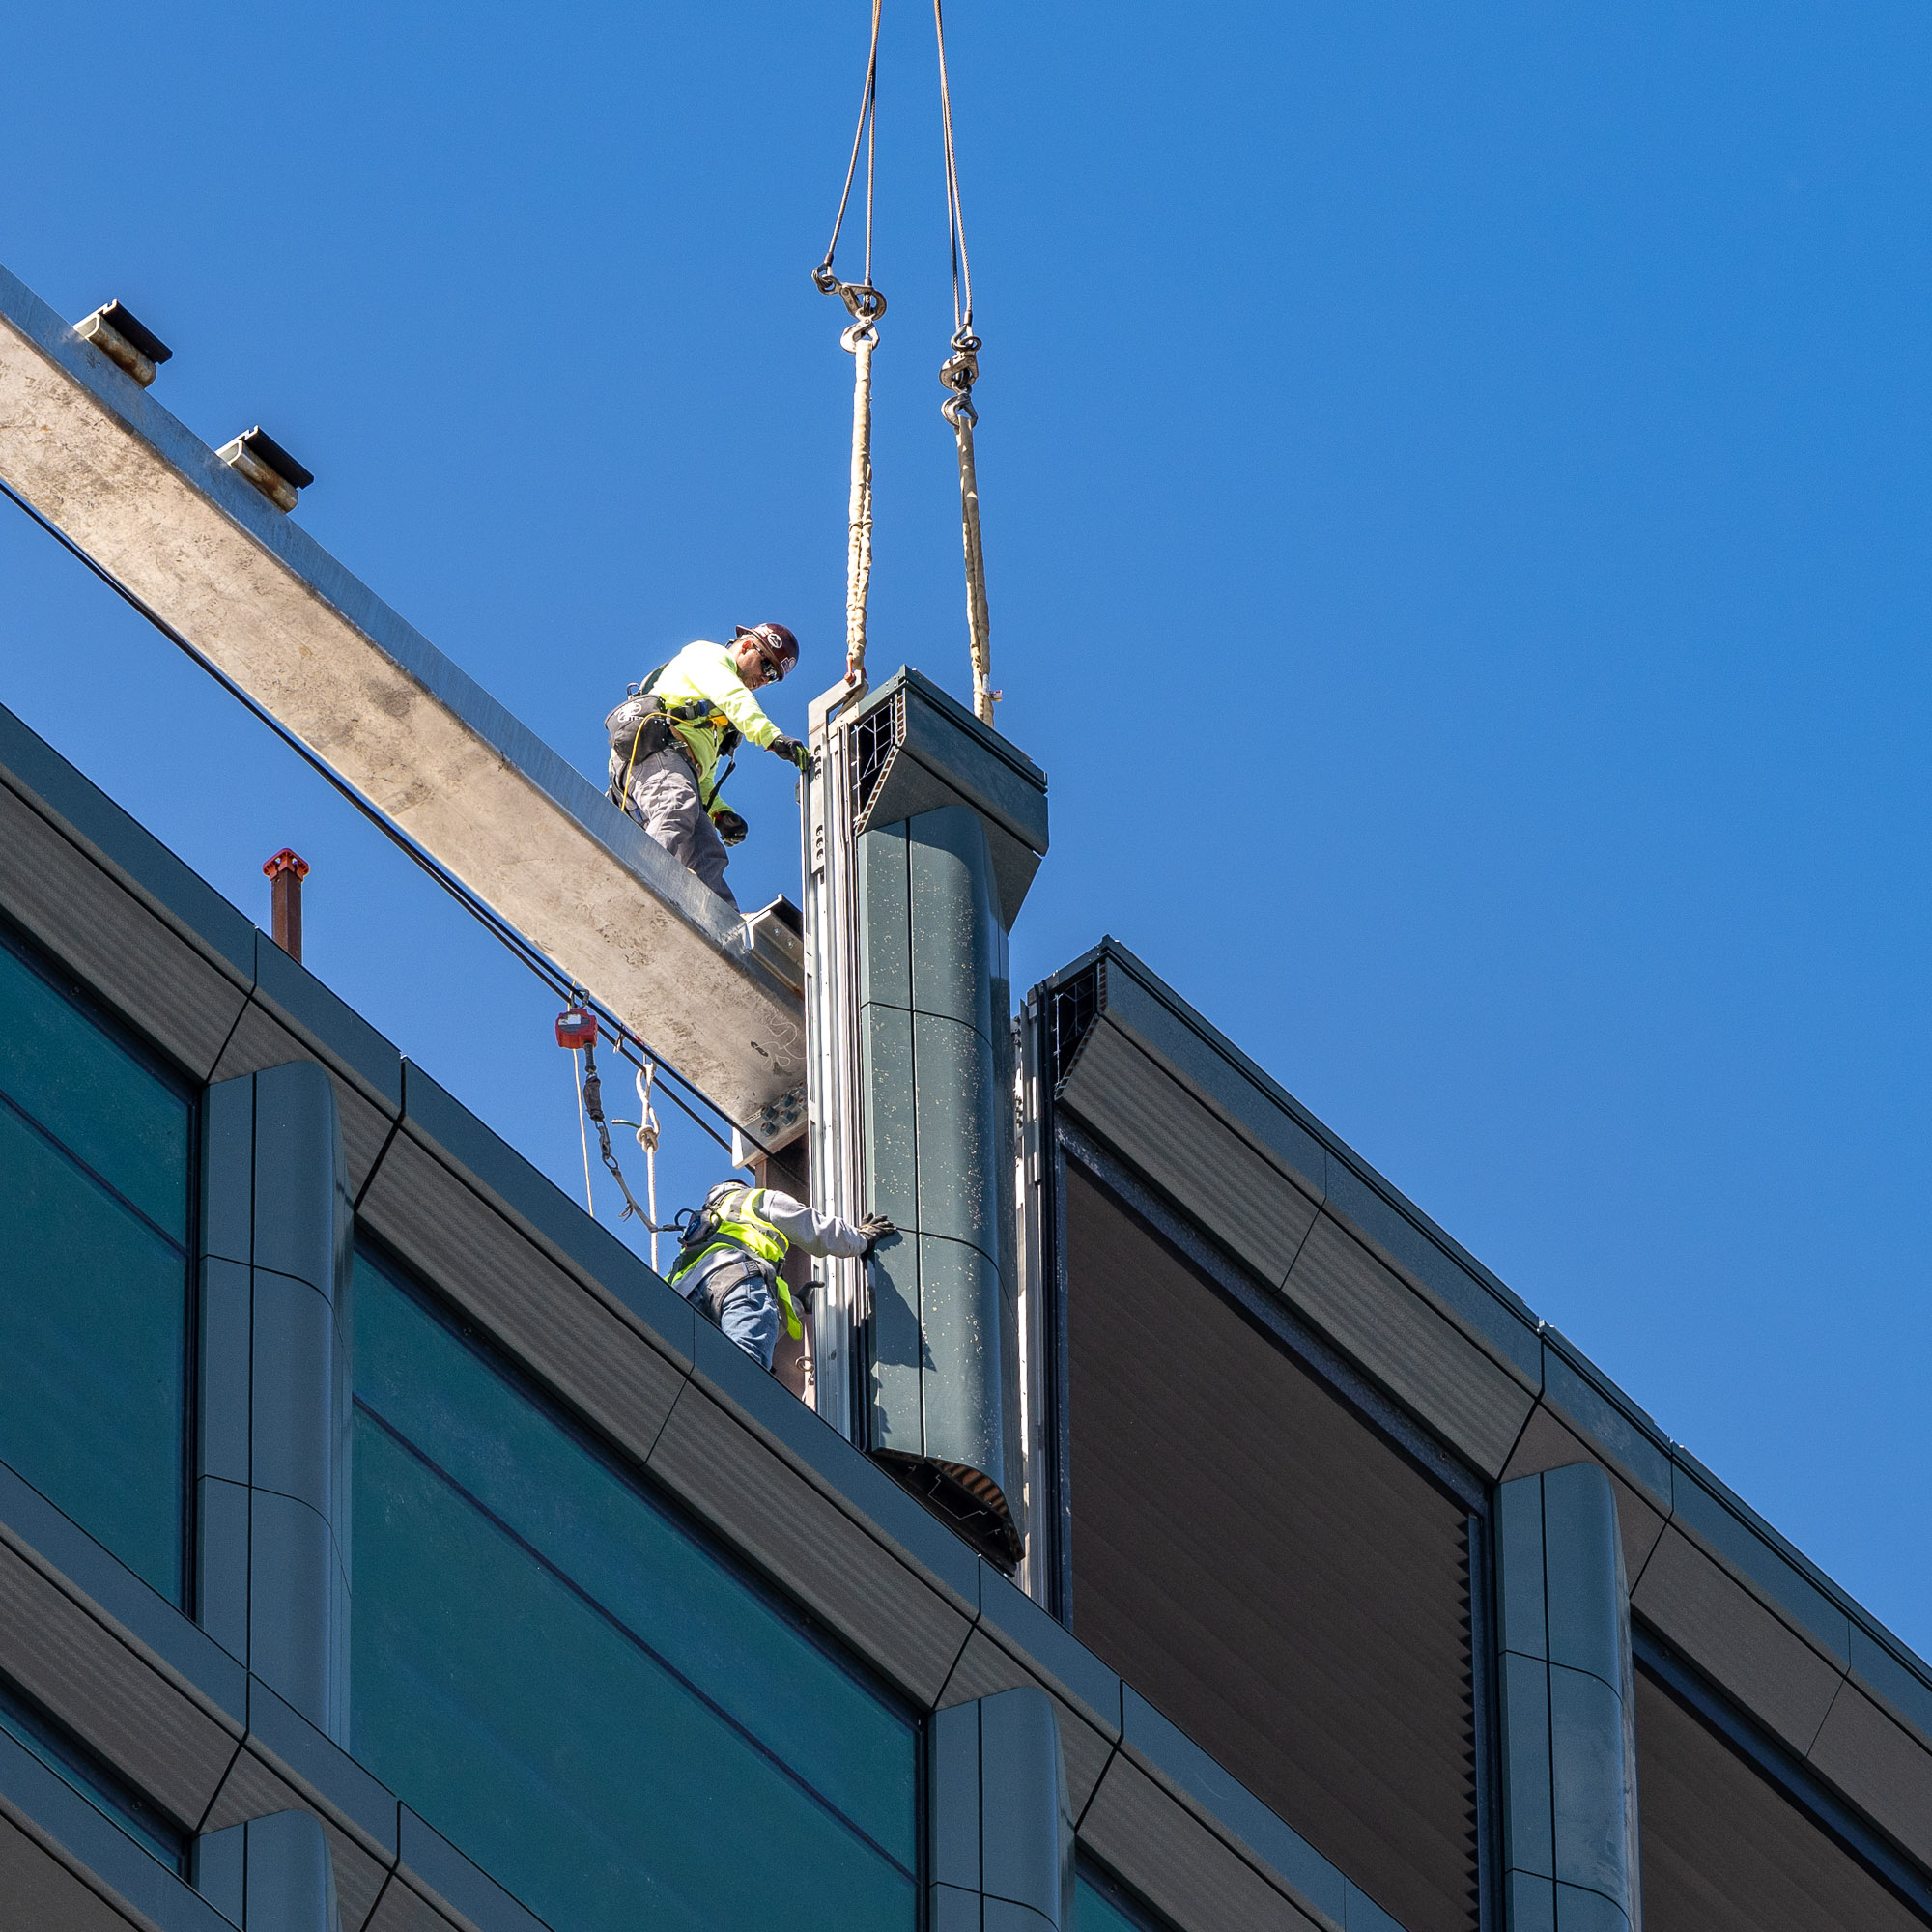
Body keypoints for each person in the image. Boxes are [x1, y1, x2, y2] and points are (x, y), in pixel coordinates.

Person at [605, 623, 810, 907]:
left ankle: (721, 923)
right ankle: (640, 881)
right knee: (676, 804)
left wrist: (719, 813)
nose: (765, 679)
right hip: (653, 754)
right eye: (767, 667)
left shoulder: (718, 724)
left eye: (773, 677)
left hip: (673, 770)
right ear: (746, 646)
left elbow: (700, 780)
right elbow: (735, 697)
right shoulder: (709, 656)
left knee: (707, 853)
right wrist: (772, 737)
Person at [668, 1179, 894, 1372]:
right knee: (744, 1366)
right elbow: (810, 1226)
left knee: (698, 1378)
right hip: (735, 1279)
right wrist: (861, 1239)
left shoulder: (694, 1238)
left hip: (682, 1302)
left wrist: (797, 1304)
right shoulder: (751, 1199)